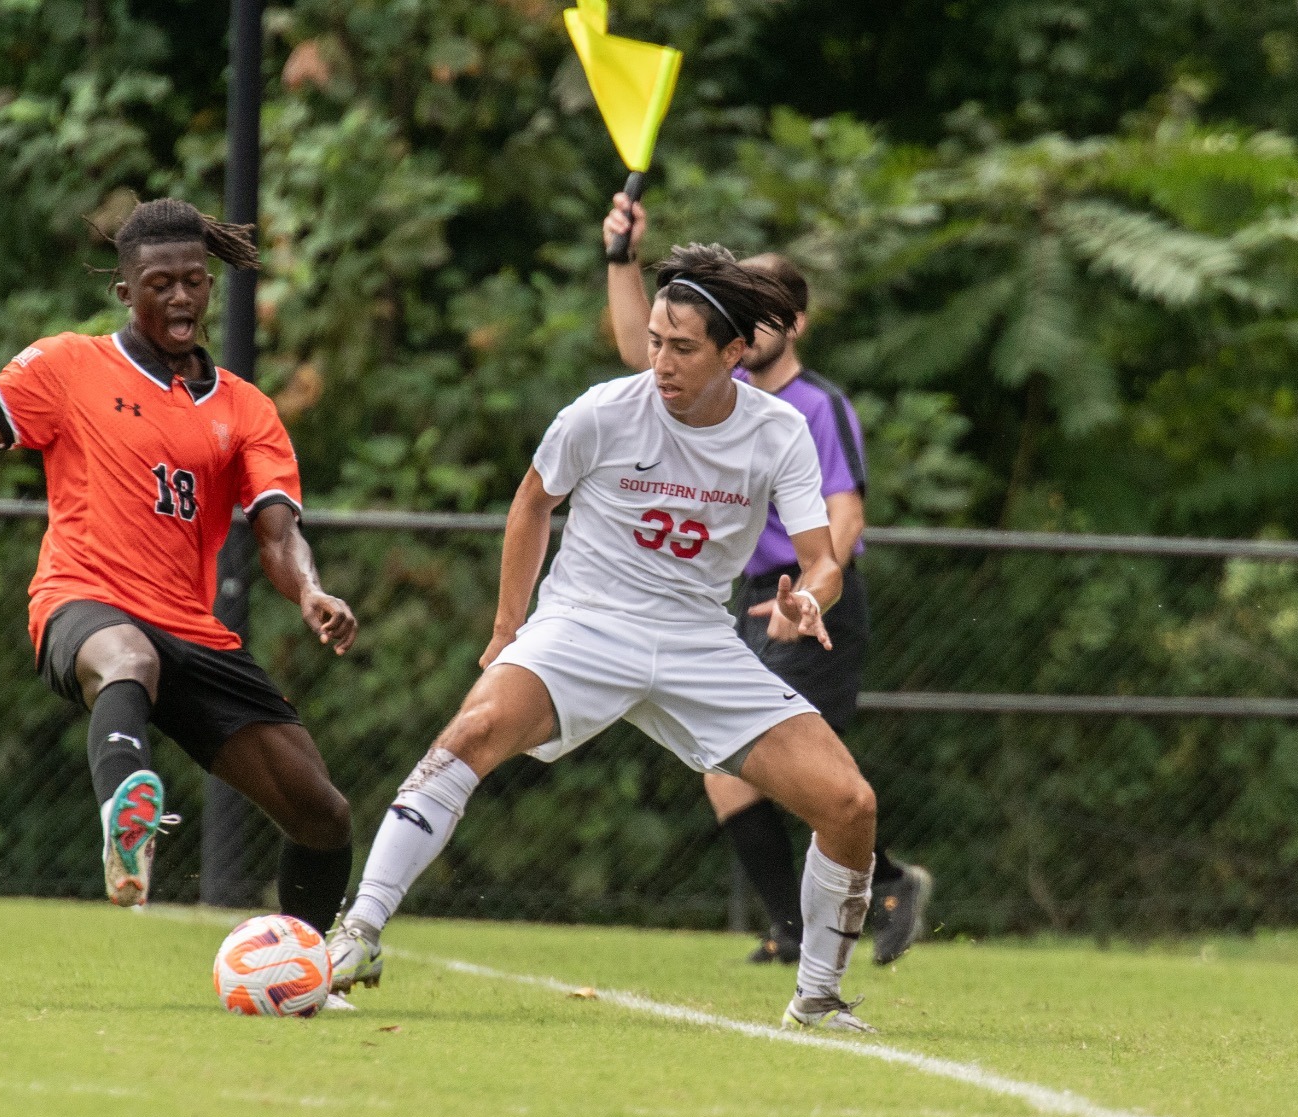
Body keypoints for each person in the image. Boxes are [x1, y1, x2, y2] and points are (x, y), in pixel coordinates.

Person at [328, 244, 885, 1033]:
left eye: (682, 347)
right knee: (472, 731)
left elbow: (822, 557)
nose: (660, 360)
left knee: (851, 803)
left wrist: (811, 600)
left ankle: (819, 997)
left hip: (698, 639)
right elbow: (531, 504)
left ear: (734, 353)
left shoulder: (780, 430)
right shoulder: (601, 410)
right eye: (656, 339)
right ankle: (359, 934)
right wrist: (505, 632)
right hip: (585, 621)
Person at [0, 198, 359, 933]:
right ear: (125, 290)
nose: (181, 296)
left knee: (321, 810)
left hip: (192, 629)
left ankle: (309, 962)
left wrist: (310, 590)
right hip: (82, 602)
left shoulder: (246, 408)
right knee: (127, 657)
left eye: (194, 280)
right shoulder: (67, 365)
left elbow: (278, 534)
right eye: (160, 283)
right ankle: (128, 820)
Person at [602, 196, 932, 967]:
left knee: (778, 763)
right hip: (745, 601)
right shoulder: (722, 397)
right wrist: (620, 258)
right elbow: (633, 346)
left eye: (766, 315)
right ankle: (801, 922)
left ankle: (883, 884)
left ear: (795, 327)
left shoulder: (816, 406)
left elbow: (845, 516)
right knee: (727, 768)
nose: (749, 328)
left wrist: (814, 591)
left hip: (807, 603)